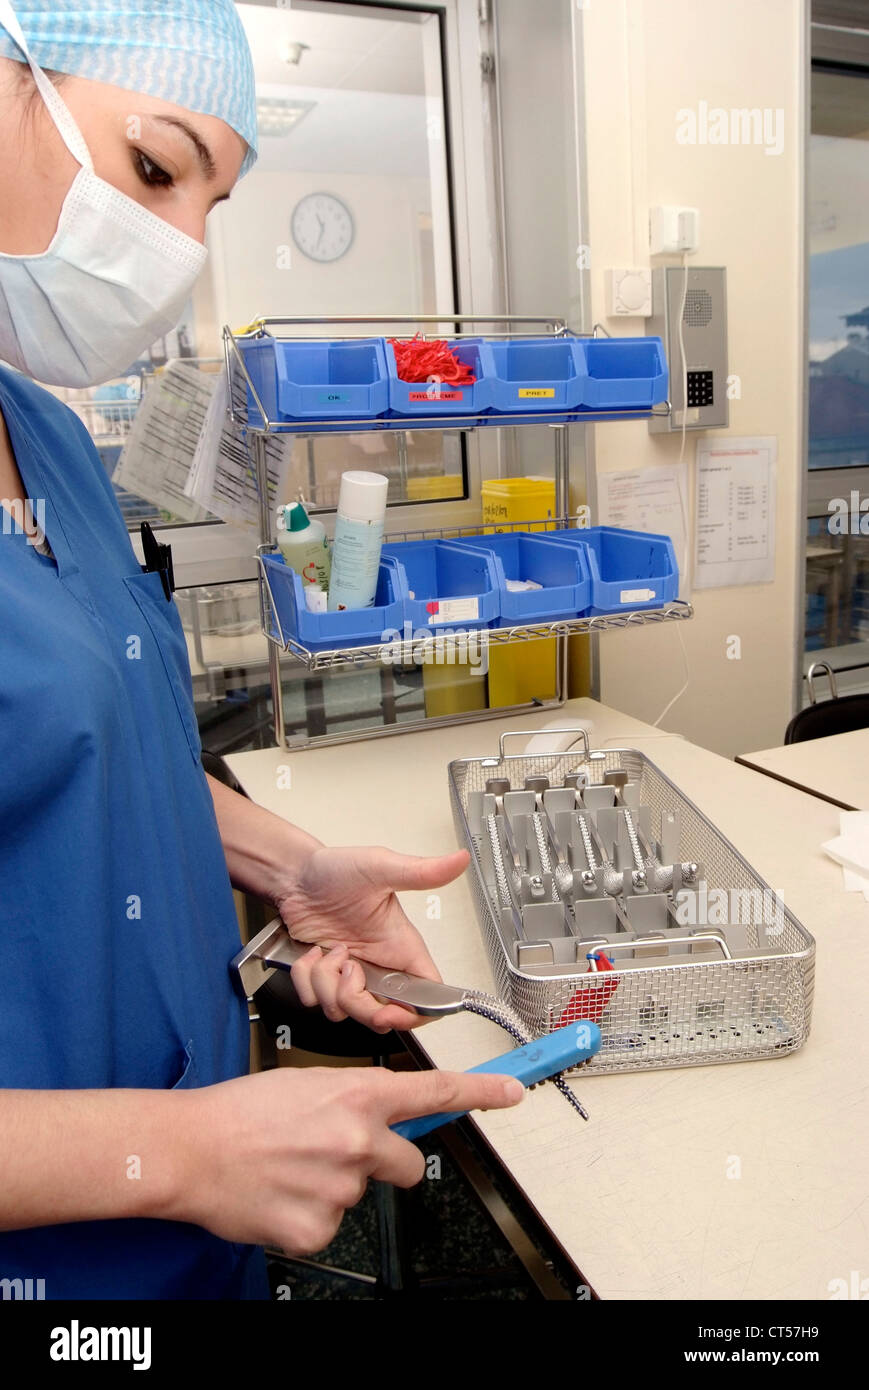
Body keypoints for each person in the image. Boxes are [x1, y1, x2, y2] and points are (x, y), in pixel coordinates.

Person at [0, 0, 523, 1301]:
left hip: (195, 1222)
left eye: (211, 204)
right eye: (157, 169)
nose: (179, 245)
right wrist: (168, 1151)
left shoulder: (47, 439)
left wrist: (293, 864)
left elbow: (86, 749)